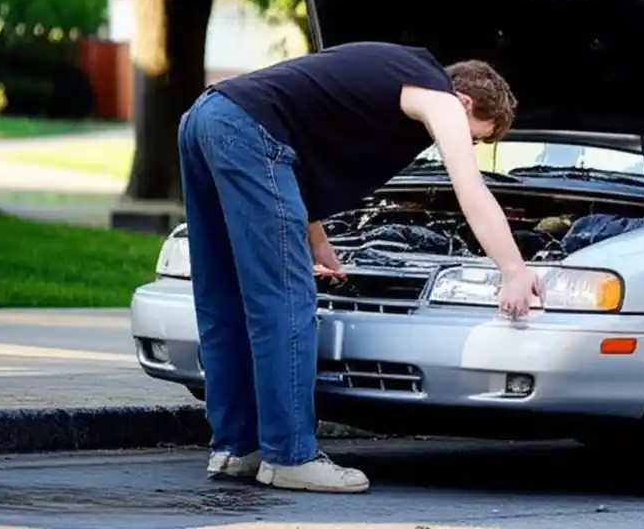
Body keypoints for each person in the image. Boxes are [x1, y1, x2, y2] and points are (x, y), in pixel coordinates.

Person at [175, 40, 544, 493]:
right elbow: (469, 188)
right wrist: (513, 269)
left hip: (205, 117)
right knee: (286, 303)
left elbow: (296, 146)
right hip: (247, 132)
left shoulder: (393, 69)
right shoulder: (440, 96)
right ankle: (291, 456)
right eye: (475, 136)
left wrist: (318, 239)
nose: (466, 144)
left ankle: (236, 448)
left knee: (224, 298)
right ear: (464, 101)